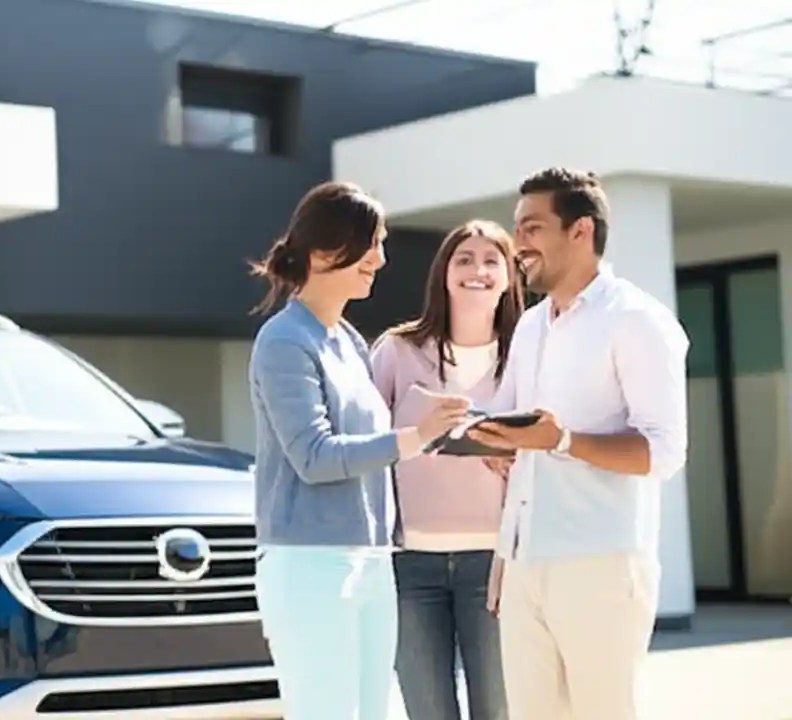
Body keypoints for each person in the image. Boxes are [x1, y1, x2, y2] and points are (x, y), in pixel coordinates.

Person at [467, 167, 689, 720]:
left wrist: (561, 440)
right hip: (524, 565)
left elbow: (663, 451)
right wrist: (490, 440)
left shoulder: (639, 320)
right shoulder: (531, 327)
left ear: (581, 231)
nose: (519, 243)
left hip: (602, 562)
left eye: (533, 228)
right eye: (518, 228)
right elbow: (521, 430)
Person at [247, 180, 471, 720]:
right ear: (325, 251)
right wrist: (412, 437)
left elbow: (371, 446)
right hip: (310, 566)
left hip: (372, 561)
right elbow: (315, 456)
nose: (381, 258)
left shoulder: (347, 339)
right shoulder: (283, 341)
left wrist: (434, 429)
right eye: (371, 244)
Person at [370, 219, 524, 720]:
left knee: (498, 711)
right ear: (443, 273)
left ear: (508, 277)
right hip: (410, 566)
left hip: (496, 565)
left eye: (490, 261)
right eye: (463, 259)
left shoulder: (527, 356)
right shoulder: (397, 350)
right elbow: (366, 446)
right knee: (427, 711)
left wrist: (520, 457)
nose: (476, 270)